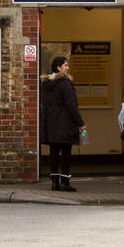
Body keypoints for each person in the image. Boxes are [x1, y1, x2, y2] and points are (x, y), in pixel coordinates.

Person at [40, 56, 86, 192]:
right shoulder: (65, 84)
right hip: (65, 123)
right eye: (65, 65)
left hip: (51, 124)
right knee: (65, 153)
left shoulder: (46, 84)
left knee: (54, 153)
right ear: (58, 68)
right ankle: (65, 182)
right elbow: (71, 106)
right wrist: (80, 122)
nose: (68, 67)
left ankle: (54, 183)